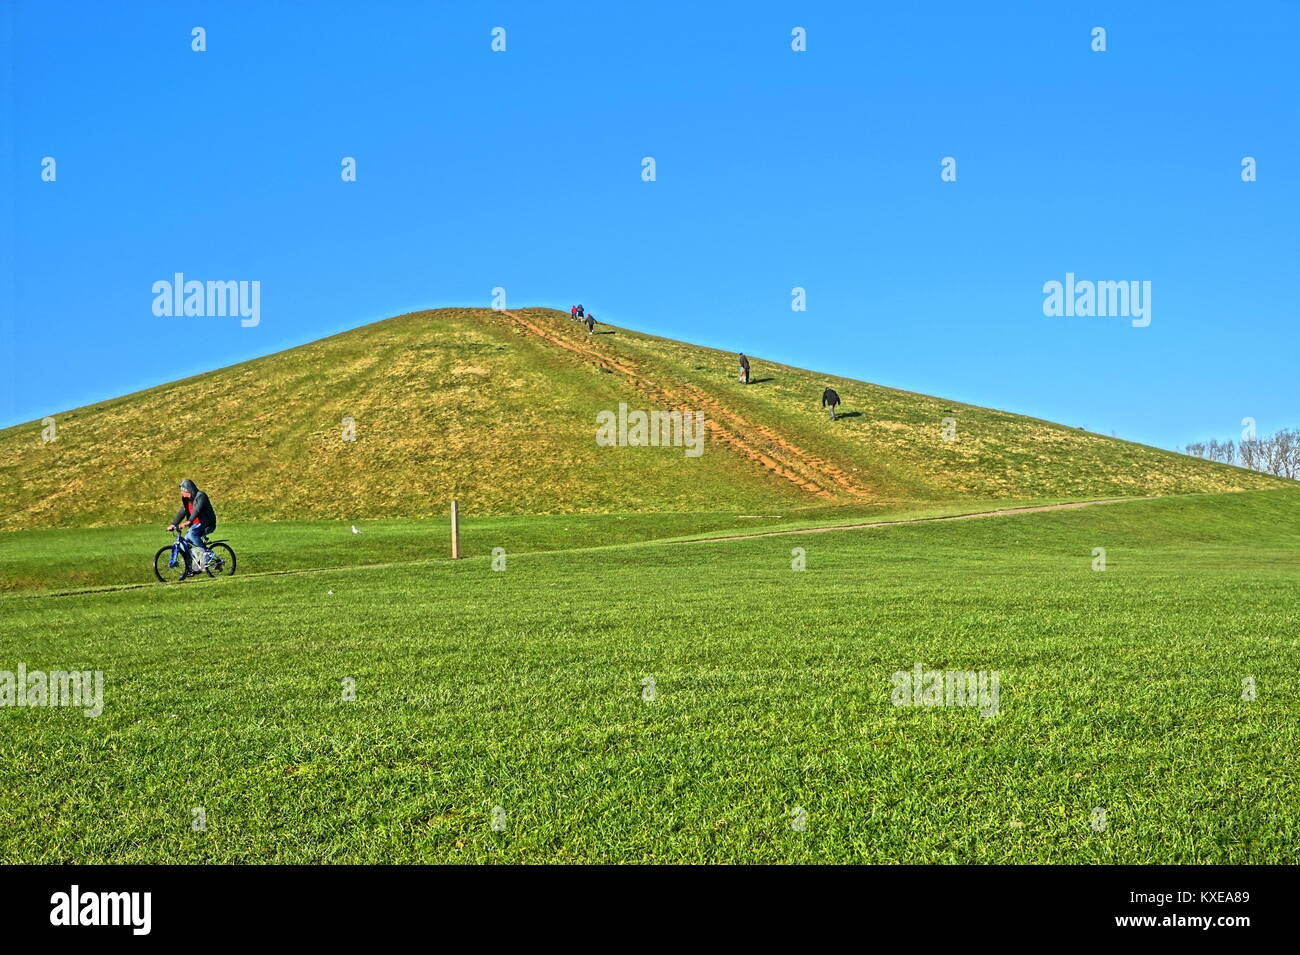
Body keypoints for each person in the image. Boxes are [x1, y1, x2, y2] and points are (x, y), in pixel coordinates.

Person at [167, 479, 217, 574]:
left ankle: (207, 554)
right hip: (195, 526)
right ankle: (190, 568)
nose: (181, 493)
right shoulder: (187, 500)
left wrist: (188, 521)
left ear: (188, 490)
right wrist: (174, 524)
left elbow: (197, 510)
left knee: (191, 535)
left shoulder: (200, 496)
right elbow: (182, 512)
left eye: (183, 491)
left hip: (207, 524)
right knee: (184, 544)